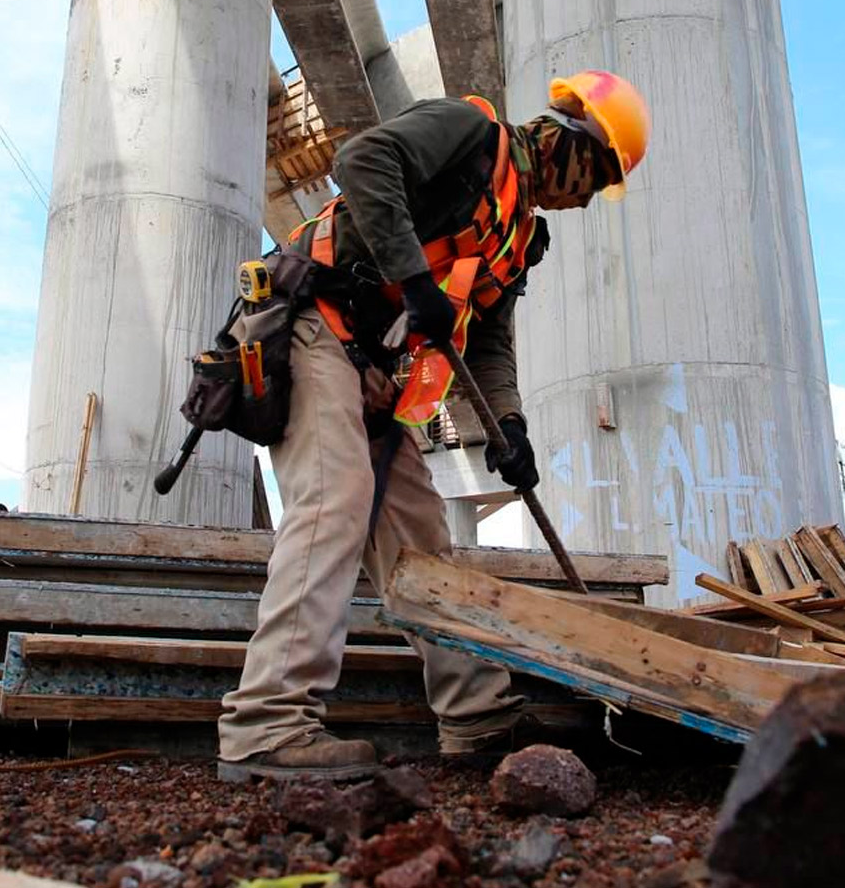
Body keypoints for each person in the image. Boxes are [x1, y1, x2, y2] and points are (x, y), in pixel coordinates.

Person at [216, 70, 650, 782]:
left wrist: (508, 424)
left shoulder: (519, 237)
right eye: (597, 178)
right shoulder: (470, 131)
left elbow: (487, 343)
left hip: (369, 367)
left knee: (421, 537)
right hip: (311, 324)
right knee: (335, 499)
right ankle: (266, 724)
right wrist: (415, 281)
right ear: (574, 143)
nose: (586, 199)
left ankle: (476, 717)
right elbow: (361, 161)